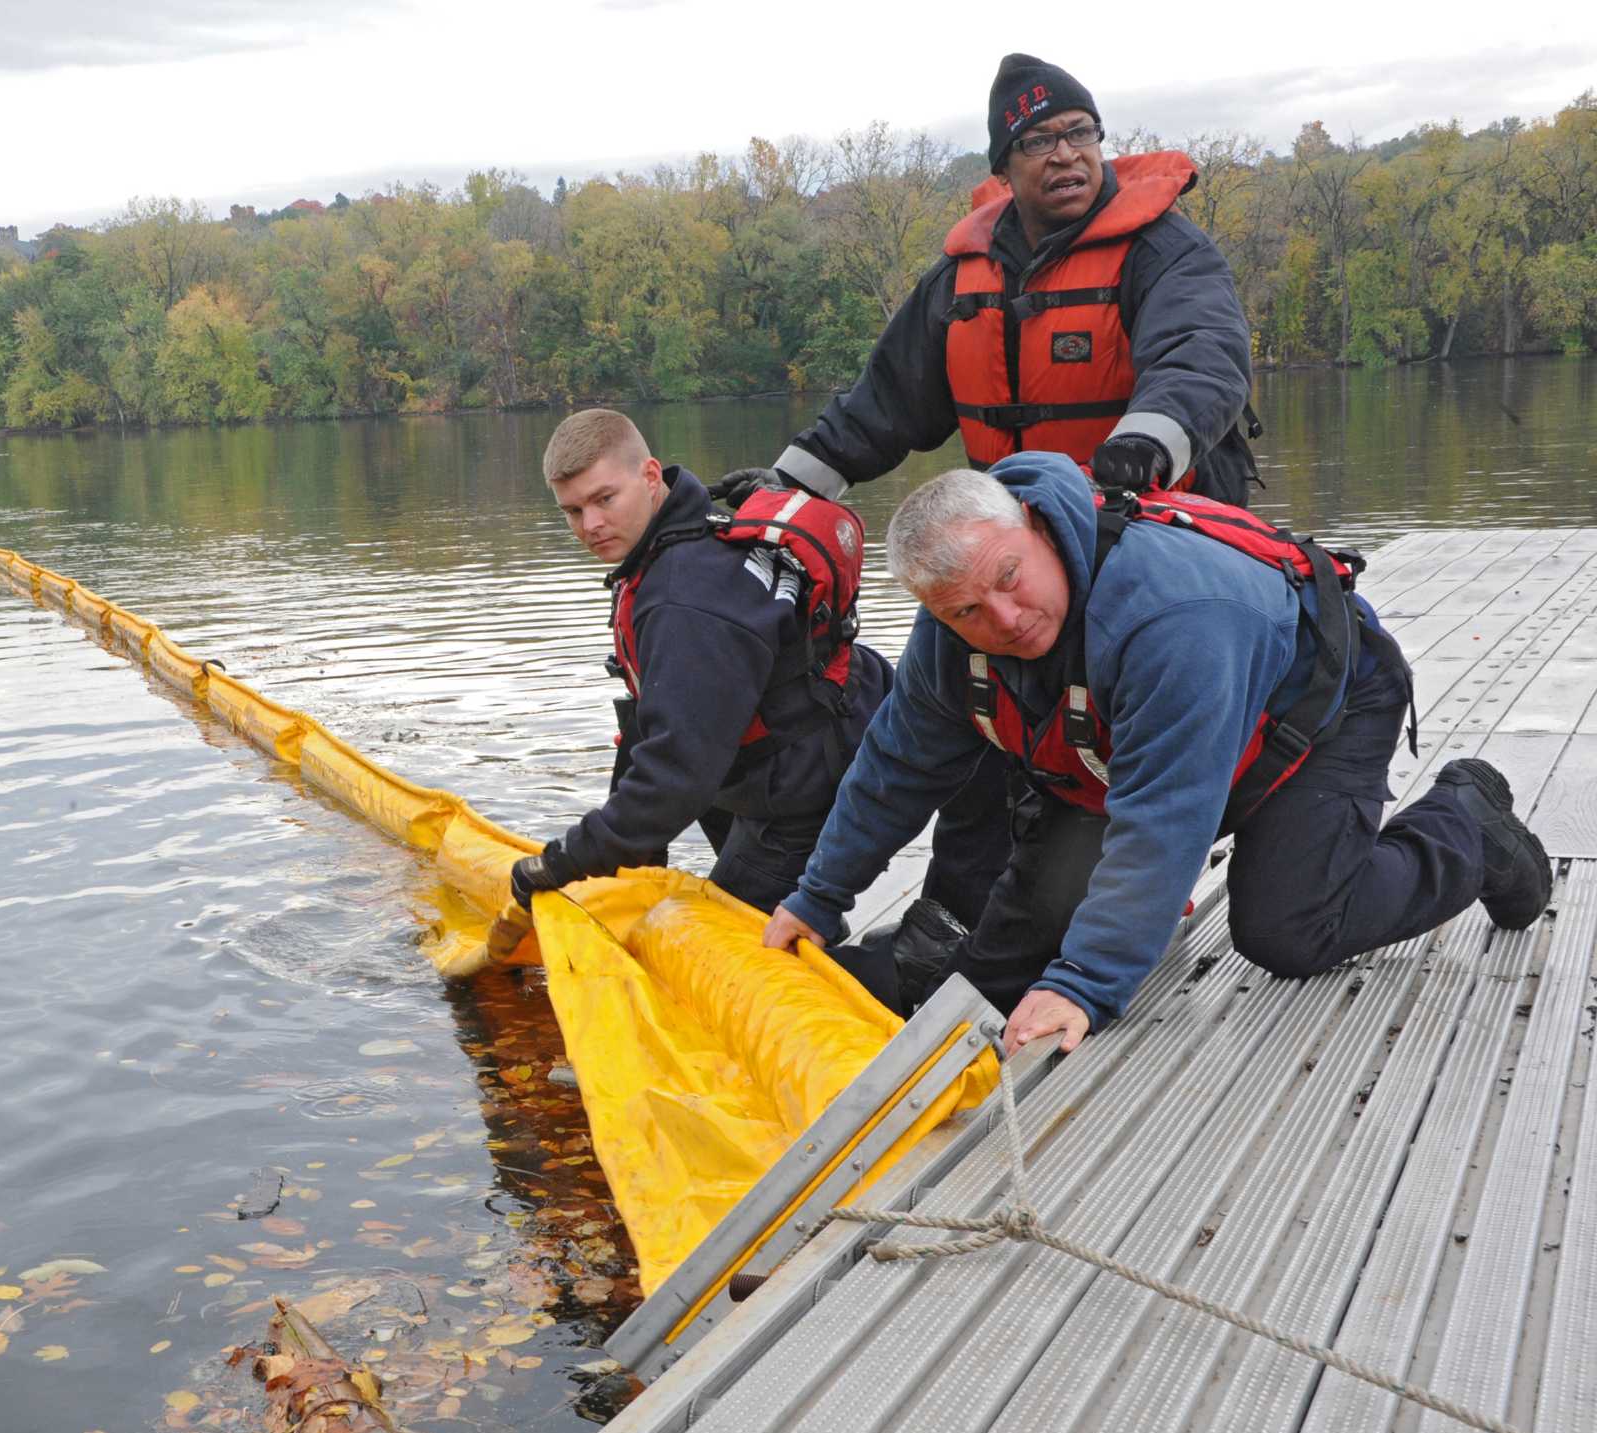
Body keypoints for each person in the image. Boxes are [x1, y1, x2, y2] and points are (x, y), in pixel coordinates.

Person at [763, 453, 1553, 1057]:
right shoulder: (952, 634)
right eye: (968, 609)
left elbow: (1164, 822)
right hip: (1147, 749)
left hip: (1314, 715)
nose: (1003, 618)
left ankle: (1467, 825)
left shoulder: (1176, 616)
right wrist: (817, 898)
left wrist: (1085, 985)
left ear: (1036, 527)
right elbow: (895, 768)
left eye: (1010, 578)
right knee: (1007, 963)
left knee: (1287, 929)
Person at [723, 53, 1257, 512]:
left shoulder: (1165, 250)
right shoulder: (961, 277)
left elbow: (1201, 356)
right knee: (945, 620)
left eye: (1080, 132)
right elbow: (885, 400)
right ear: (1003, 171)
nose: (1066, 153)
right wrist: (790, 482)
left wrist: (1146, 444)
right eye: (1038, 141)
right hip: (1015, 536)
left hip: (1163, 520)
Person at [506, 409, 892, 916]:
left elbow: (676, 775)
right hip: (769, 752)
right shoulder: (692, 527)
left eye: (604, 499)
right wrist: (633, 852)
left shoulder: (683, 598)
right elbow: (657, 721)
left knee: (746, 945)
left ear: (649, 476)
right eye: (573, 511)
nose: (591, 525)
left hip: (814, 780)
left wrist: (564, 861)